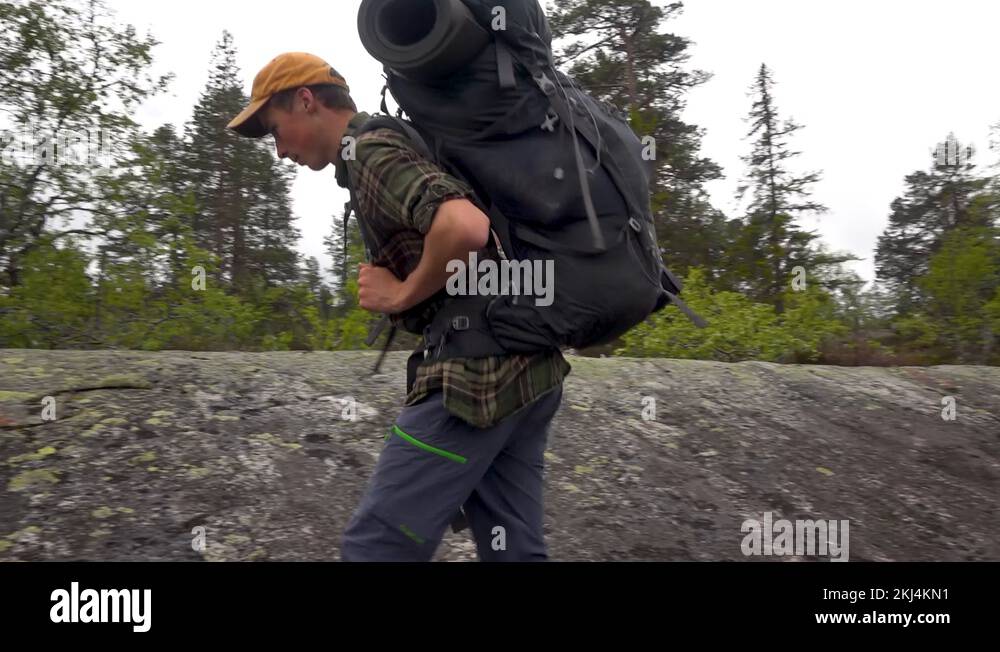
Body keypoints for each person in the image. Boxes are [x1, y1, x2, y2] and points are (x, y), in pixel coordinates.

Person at [227, 52, 569, 561]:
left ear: (306, 100)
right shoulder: (386, 146)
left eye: (276, 130)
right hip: (529, 367)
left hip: (474, 379)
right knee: (515, 550)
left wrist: (402, 294)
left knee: (377, 547)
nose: (278, 152)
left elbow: (464, 227)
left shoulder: (369, 151)